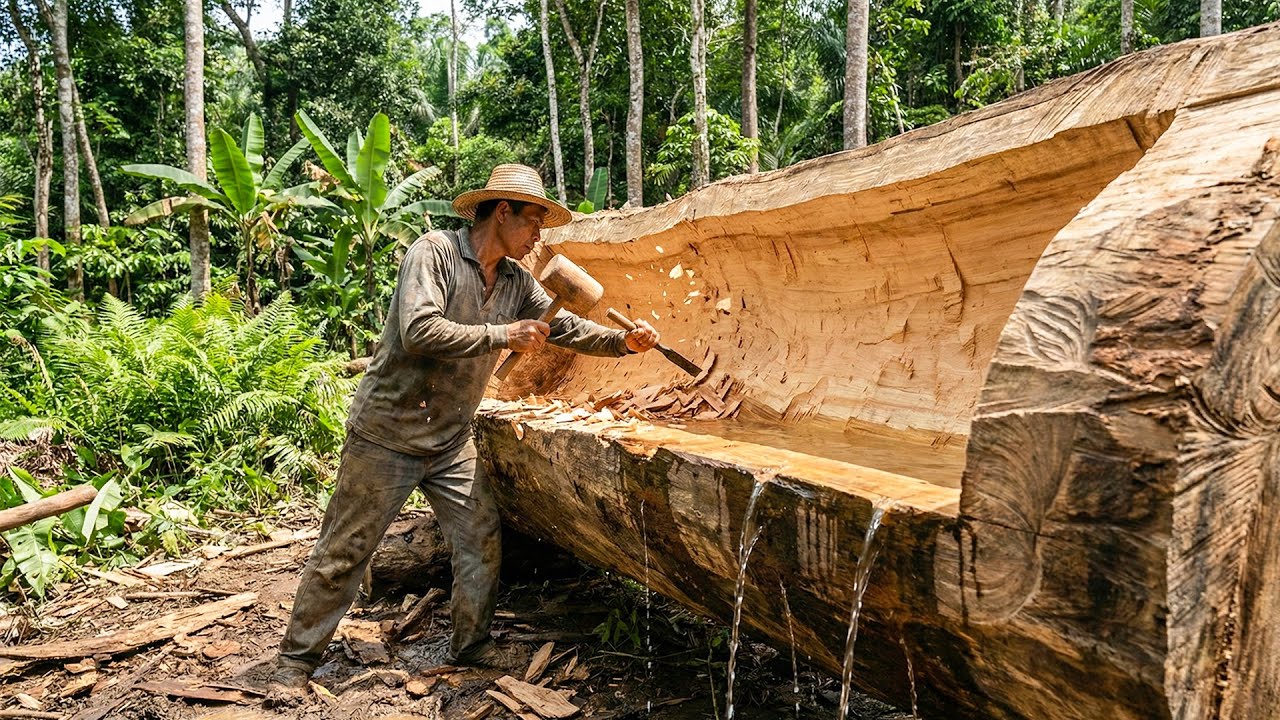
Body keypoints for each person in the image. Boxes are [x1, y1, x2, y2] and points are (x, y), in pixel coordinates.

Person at [269, 164, 659, 698]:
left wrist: (622, 342)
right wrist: (502, 333)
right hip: (386, 434)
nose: (539, 237)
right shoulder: (433, 253)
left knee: (479, 541)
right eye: (534, 222)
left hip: (451, 440)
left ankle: (470, 645)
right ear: (503, 212)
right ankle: (295, 663)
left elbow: (564, 326)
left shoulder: (520, 282)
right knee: (345, 549)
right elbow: (419, 328)